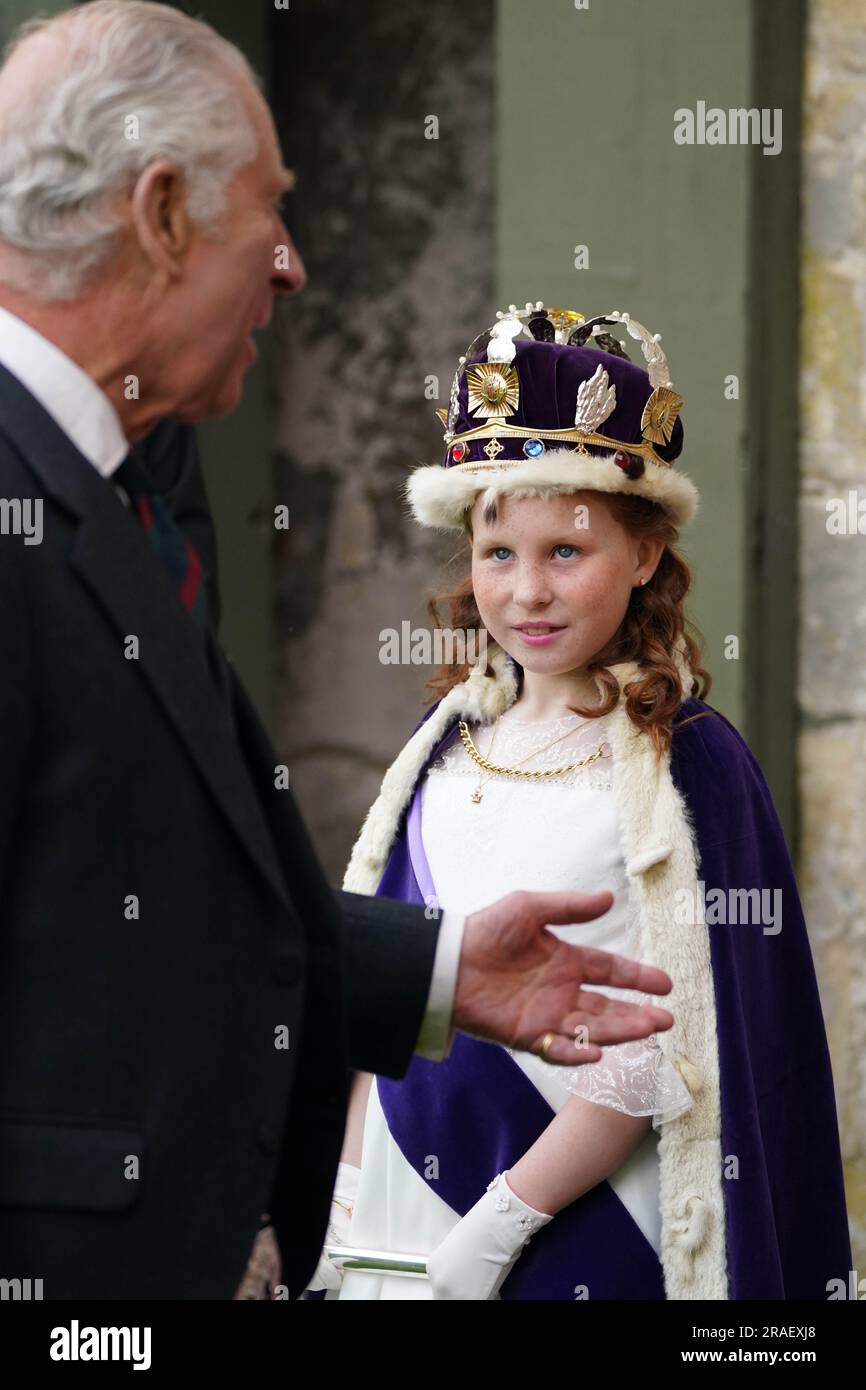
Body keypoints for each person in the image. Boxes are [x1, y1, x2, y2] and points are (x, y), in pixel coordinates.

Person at [0, 6, 674, 1300]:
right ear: (163, 214)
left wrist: (426, 970)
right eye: (271, 207)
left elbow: (120, 892)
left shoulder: (125, 474)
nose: (292, 264)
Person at [309, 303, 852, 1301]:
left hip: (581, 1231)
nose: (526, 592)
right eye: (496, 552)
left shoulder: (683, 762)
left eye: (566, 550)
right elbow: (381, 1002)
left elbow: (669, 1043)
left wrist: (497, 1227)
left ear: (642, 554)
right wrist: (344, 1204)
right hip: (400, 1225)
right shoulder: (438, 748)